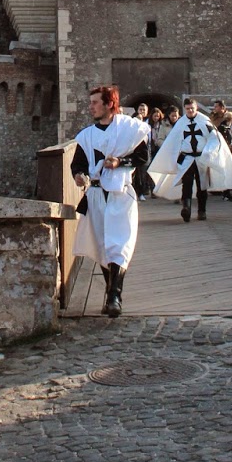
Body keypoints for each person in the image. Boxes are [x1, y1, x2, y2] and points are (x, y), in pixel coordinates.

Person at [71, 84, 150, 317]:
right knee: (103, 246)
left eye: (95, 102)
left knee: (119, 244)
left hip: (119, 193)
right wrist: (79, 175)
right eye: (91, 102)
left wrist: (120, 162)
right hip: (96, 195)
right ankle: (111, 293)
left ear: (109, 104)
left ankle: (115, 296)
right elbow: (78, 163)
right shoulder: (86, 136)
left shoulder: (129, 129)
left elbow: (142, 157)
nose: (91, 107)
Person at [148, 95, 232, 220]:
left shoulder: (204, 121)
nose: (190, 111)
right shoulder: (181, 123)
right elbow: (173, 141)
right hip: (186, 158)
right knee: (186, 184)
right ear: (185, 109)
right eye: (187, 109)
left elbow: (214, 138)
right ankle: (186, 208)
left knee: (202, 185)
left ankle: (201, 211)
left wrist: (208, 152)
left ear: (196, 107)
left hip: (201, 158)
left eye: (192, 108)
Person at [209, 100, 232, 203]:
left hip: (227, 147)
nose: (214, 109)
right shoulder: (213, 118)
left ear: (222, 107)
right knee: (217, 168)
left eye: (216, 107)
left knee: (226, 168)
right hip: (216, 146)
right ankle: (218, 188)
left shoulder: (229, 118)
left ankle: (227, 190)